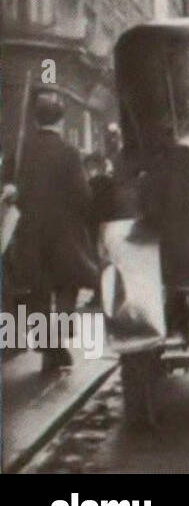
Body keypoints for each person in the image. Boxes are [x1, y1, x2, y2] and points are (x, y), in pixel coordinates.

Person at [5, 92, 96, 372]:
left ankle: (49, 345)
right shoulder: (69, 153)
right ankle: (59, 340)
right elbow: (83, 196)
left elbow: (9, 191)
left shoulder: (20, 151)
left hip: (30, 234)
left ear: (34, 120)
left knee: (39, 292)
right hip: (64, 234)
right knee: (67, 287)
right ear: (61, 120)